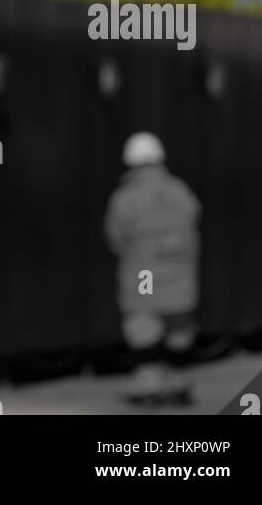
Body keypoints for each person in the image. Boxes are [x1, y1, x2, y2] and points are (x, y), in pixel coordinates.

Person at [104, 132, 202, 407]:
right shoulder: (180, 191)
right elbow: (194, 218)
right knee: (179, 334)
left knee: (142, 333)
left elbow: (116, 237)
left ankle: (149, 386)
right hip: (179, 279)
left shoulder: (125, 198)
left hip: (142, 281)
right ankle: (179, 383)